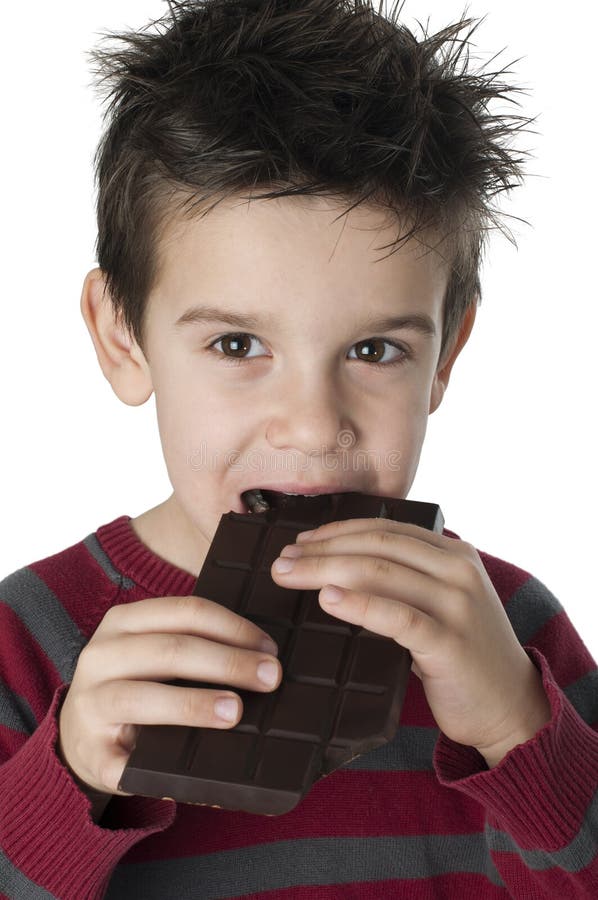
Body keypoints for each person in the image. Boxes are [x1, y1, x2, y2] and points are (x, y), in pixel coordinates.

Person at [1, 0, 597, 896]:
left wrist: (520, 733)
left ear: (447, 355)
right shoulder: (28, 642)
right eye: (238, 346)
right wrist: (69, 778)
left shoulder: (507, 630)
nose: (314, 426)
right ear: (122, 336)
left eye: (374, 351)